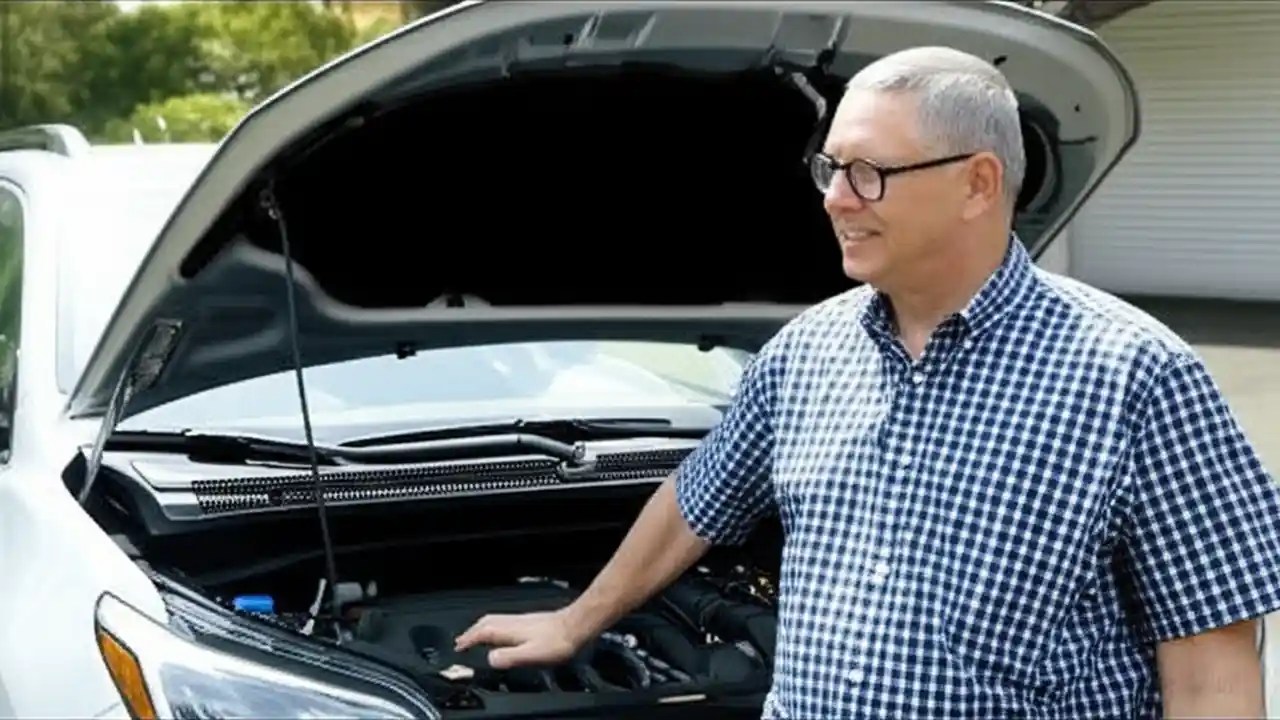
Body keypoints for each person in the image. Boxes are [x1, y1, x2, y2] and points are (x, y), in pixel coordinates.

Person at [455, 46, 1280, 718]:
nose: (837, 201)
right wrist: (575, 621)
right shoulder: (805, 353)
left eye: (870, 172)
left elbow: (1212, 676)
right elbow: (694, 503)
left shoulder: (1139, 377)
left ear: (978, 183)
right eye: (831, 168)